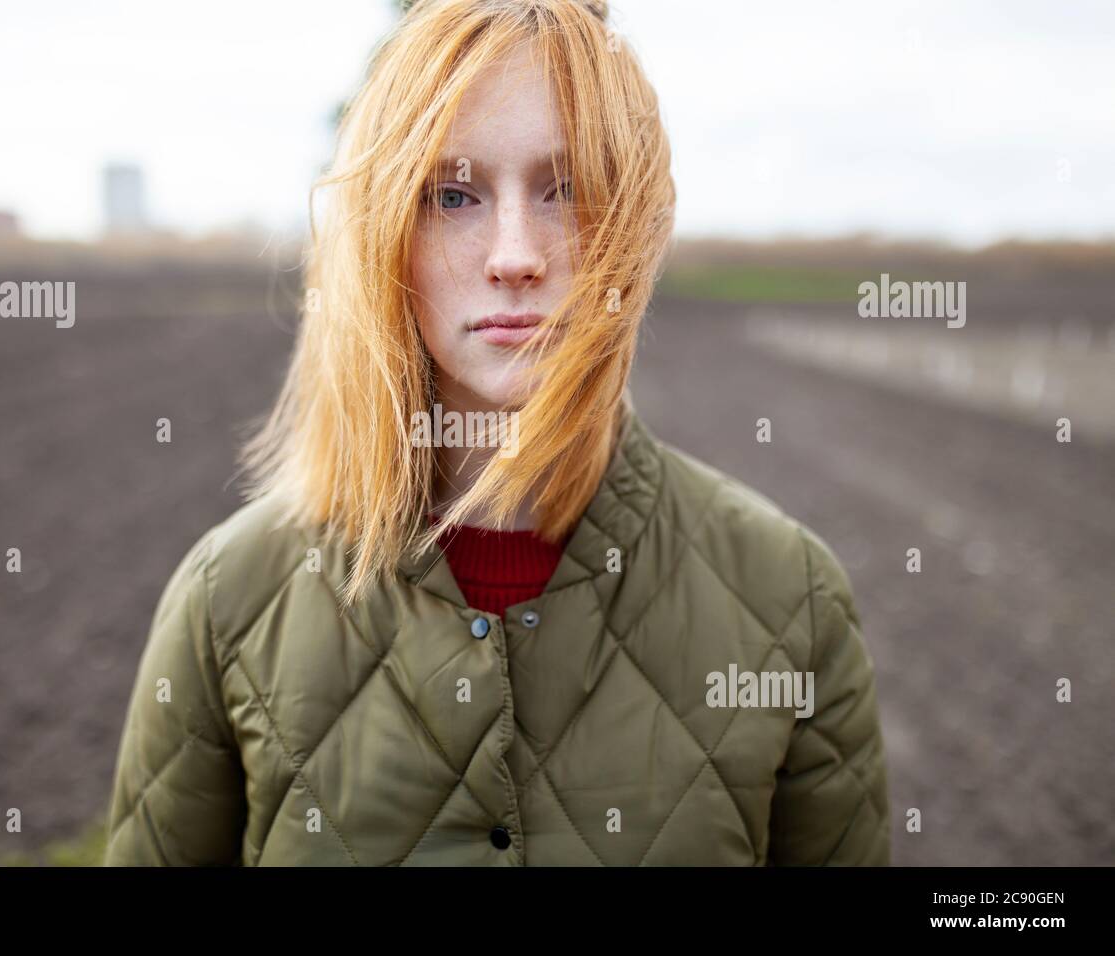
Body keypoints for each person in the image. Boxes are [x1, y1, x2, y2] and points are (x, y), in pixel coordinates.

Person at [103, 0, 890, 866]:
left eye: (568, 190)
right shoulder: (229, 602)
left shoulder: (789, 596)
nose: (515, 254)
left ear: (630, 229)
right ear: (384, 235)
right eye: (453, 194)